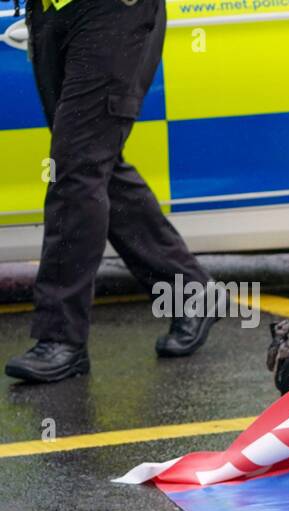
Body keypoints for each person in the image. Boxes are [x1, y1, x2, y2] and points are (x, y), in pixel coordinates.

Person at [6, 0, 217, 384]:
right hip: (50, 12)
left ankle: (61, 339)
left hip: (112, 11)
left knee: (77, 168)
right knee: (91, 165)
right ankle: (190, 293)